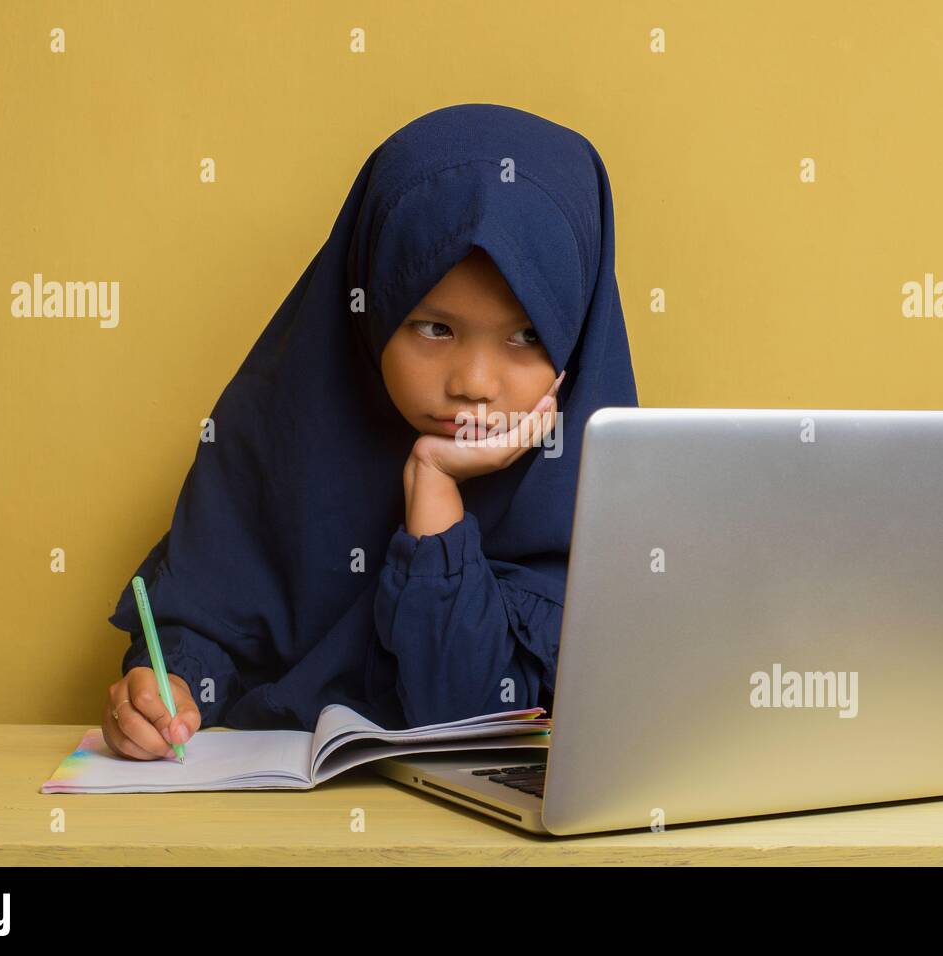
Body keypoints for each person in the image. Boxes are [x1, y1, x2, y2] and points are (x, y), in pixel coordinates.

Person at [101, 102, 639, 760]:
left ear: (577, 341)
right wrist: (167, 689)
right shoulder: (277, 434)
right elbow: (208, 625)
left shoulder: (596, 500)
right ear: (364, 309)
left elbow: (470, 717)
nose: (473, 381)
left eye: (527, 337)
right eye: (434, 328)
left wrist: (434, 490)